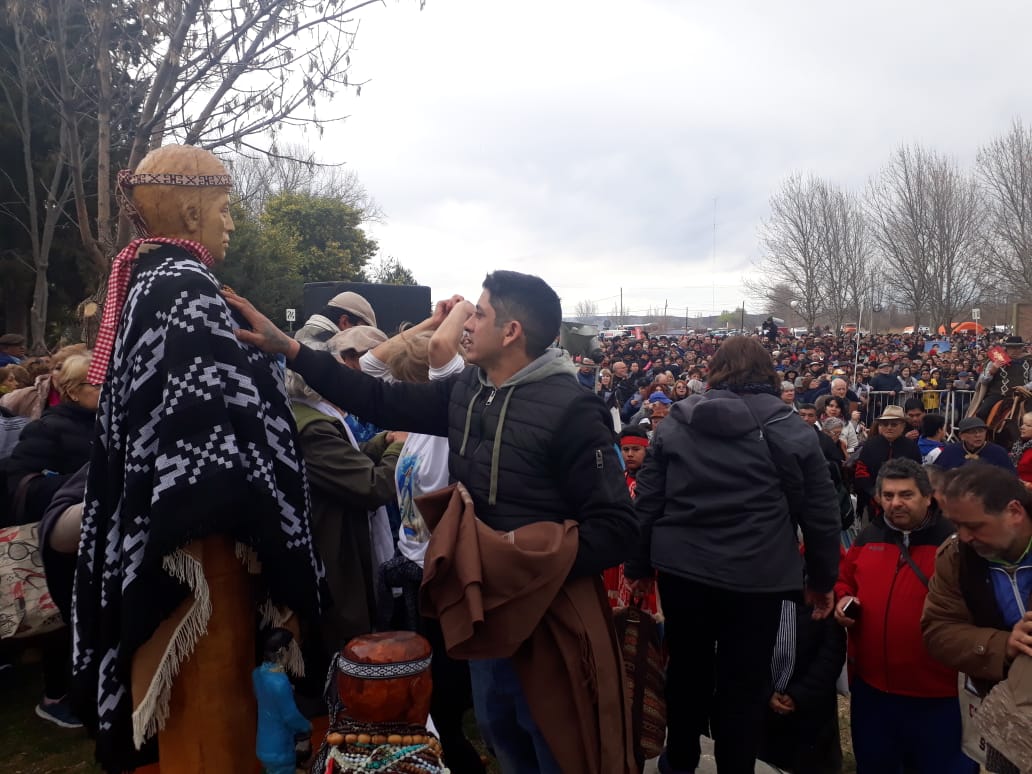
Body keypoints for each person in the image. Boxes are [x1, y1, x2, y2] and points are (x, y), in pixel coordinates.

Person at [227, 270, 638, 773]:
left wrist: (525, 557)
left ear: (511, 333)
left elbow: (616, 527)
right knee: (500, 733)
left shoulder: (574, 410)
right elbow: (375, 397)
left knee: (554, 745)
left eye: (478, 314)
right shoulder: (469, 391)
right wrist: (290, 349)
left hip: (546, 620)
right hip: (483, 611)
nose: (466, 323)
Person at [71, 145, 323, 773]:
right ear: (189, 210)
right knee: (212, 712)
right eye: (226, 207)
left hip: (185, 545)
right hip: (203, 558)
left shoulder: (148, 286)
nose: (231, 221)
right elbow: (213, 453)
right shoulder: (184, 288)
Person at [624, 336, 840, 774]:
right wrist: (821, 581)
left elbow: (648, 503)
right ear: (768, 373)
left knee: (687, 669)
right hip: (758, 576)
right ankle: (732, 765)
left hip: (686, 571)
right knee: (745, 682)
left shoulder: (675, 423)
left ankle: (680, 758)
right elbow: (821, 515)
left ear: (716, 369)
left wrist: (639, 567)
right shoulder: (793, 428)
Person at [835, 459, 975, 774]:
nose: (895, 503)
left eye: (906, 495)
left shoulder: (958, 543)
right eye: (887, 495)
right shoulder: (869, 535)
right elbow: (845, 578)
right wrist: (843, 598)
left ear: (928, 497)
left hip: (939, 695)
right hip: (873, 691)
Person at [5, 353, 98, 729]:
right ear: (73, 392)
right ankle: (56, 695)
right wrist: (78, 487)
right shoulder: (47, 428)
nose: (105, 388)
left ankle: (89, 687)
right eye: (96, 383)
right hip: (61, 542)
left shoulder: (109, 422)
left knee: (88, 617)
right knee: (63, 619)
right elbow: (22, 485)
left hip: (93, 538)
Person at [923, 465, 1032, 774]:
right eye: (957, 524)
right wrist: (1004, 645)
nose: (965, 537)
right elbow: (938, 630)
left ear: (1014, 511)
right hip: (1009, 713)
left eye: (974, 525)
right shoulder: (955, 557)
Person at [853, 405, 921, 516]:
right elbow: (861, 472)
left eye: (894, 424)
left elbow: (917, 474)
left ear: (903, 426)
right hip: (873, 502)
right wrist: (874, 493)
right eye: (885, 424)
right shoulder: (870, 445)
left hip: (903, 502)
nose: (889, 427)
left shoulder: (911, 447)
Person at [294, 290, 378, 345]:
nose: (364, 339)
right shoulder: (334, 350)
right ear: (344, 322)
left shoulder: (296, 337)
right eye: (362, 331)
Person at [936, 417, 1016, 472]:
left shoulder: (998, 452)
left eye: (981, 431)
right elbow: (938, 474)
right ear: (961, 436)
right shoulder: (950, 451)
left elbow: (1010, 478)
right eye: (972, 432)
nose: (978, 435)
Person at [1012, 411, 1032, 488]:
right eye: (1023, 424)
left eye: (1028, 425)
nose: (1022, 427)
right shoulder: (1018, 445)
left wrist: (1028, 485)